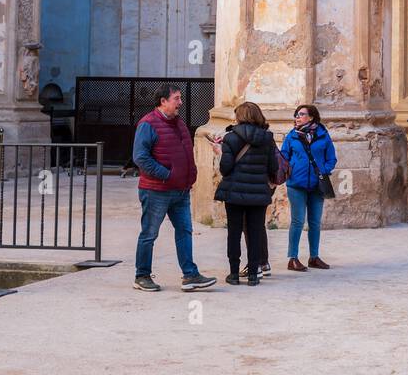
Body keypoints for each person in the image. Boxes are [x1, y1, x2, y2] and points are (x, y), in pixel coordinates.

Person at [131, 85, 216, 292]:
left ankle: (190, 275)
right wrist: (166, 174)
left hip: (181, 191)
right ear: (163, 101)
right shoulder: (147, 124)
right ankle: (142, 276)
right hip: (156, 191)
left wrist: (189, 176)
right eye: (176, 98)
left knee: (185, 231)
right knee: (149, 233)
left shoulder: (179, 123)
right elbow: (140, 157)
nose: (180, 102)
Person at [213, 102, 282, 286]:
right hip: (258, 193)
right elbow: (273, 167)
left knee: (234, 233)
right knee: (255, 232)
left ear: (239, 116)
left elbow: (225, 169)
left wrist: (219, 152)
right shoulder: (267, 138)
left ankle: (234, 274)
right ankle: (253, 275)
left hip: (234, 193)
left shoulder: (230, 138)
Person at [279, 103, 337, 271]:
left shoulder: (323, 135)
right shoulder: (292, 136)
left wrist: (323, 170)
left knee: (315, 222)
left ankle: (314, 257)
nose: (297, 117)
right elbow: (283, 157)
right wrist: (291, 170)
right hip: (296, 184)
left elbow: (331, 158)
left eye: (301, 114)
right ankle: (293, 258)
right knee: (297, 221)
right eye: (296, 115)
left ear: (311, 117)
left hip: (317, 184)